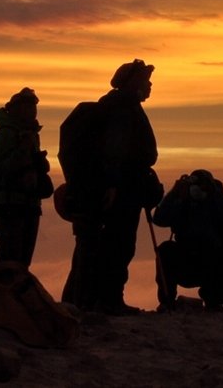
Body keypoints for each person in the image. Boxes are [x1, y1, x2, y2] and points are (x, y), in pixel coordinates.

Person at [61, 59, 163, 314]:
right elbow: (114, 149)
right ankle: (108, 300)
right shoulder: (122, 108)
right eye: (146, 81)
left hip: (122, 186)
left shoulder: (117, 106)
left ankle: (91, 299)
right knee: (118, 244)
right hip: (122, 189)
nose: (149, 86)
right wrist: (113, 183)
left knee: (105, 245)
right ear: (133, 82)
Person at [151, 169, 223, 310]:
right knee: (165, 249)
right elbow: (158, 218)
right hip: (186, 257)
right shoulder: (182, 203)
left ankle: (215, 300)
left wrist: (215, 193)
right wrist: (175, 193)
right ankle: (167, 300)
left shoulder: (217, 203)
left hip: (212, 257)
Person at [0, 87, 53, 267]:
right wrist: (23, 150)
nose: (33, 111)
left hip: (29, 203)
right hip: (11, 204)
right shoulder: (7, 134)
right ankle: (1, 293)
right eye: (28, 106)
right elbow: (4, 168)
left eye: (34, 107)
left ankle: (14, 293)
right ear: (17, 109)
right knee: (9, 261)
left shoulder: (30, 134)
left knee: (22, 261)